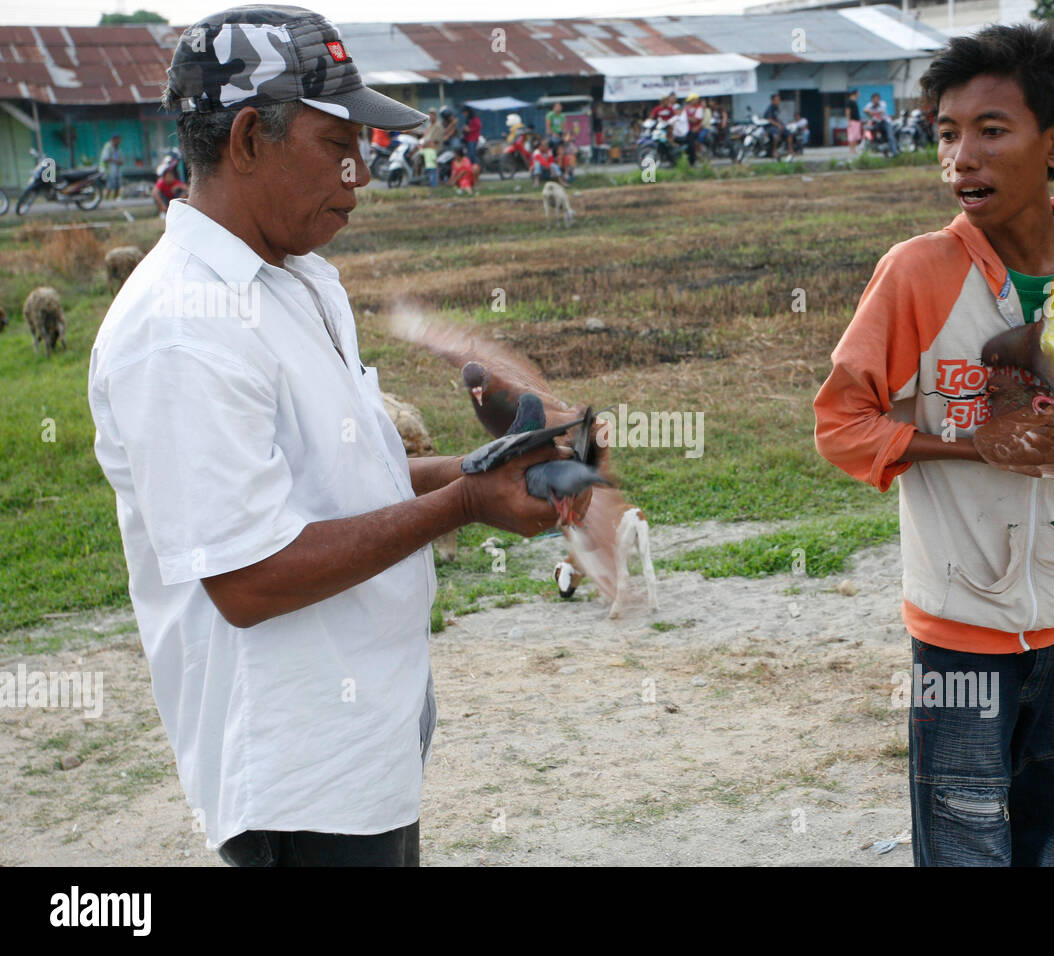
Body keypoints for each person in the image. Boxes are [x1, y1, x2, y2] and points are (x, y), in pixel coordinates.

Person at [89, 5, 579, 868]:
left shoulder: (298, 277)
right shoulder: (181, 328)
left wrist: (490, 465)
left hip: (366, 732)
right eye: (335, 143)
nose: (361, 173)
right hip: (298, 778)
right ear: (247, 138)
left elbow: (344, 481)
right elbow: (248, 578)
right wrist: (467, 500)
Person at [813, 22, 1054, 867]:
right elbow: (841, 426)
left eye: (990, 131)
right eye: (946, 134)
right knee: (964, 837)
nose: (961, 159)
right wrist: (973, 443)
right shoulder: (916, 273)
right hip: (958, 617)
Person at [865, 92, 898, 156]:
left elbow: (880, 111)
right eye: (874, 99)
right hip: (877, 123)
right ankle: (879, 149)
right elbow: (864, 110)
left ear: (879, 99)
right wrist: (869, 111)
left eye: (877, 99)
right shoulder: (870, 104)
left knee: (890, 136)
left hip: (885, 122)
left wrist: (870, 112)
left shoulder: (882, 103)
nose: (876, 100)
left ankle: (895, 152)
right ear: (872, 100)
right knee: (870, 131)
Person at [762, 93, 792, 159]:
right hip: (769, 127)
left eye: (779, 100)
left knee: (789, 133)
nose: (778, 101)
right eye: (776, 100)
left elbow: (777, 118)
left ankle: (790, 151)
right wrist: (778, 125)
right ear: (772, 100)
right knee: (777, 133)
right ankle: (774, 151)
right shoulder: (770, 109)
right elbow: (769, 119)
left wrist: (782, 124)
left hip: (776, 126)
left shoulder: (777, 108)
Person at [99, 134, 124, 200]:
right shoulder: (108, 146)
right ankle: (107, 199)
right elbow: (105, 158)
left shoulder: (118, 148)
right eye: (118, 139)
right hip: (109, 169)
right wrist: (116, 161)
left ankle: (115, 199)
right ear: (114, 139)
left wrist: (120, 162)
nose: (119, 141)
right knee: (109, 186)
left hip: (117, 169)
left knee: (118, 185)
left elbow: (120, 160)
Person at [684, 92, 705, 165]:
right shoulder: (686, 108)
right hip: (686, 130)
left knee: (691, 144)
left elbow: (696, 120)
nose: (692, 101)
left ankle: (692, 161)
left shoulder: (699, 109)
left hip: (696, 130)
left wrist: (687, 118)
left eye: (694, 100)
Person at [845, 88, 863, 154]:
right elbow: (847, 111)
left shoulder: (855, 101)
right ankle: (851, 150)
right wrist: (848, 121)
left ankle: (854, 150)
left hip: (857, 121)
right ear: (854, 94)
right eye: (858, 93)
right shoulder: (849, 101)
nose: (859, 95)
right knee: (851, 136)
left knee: (856, 136)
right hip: (852, 121)